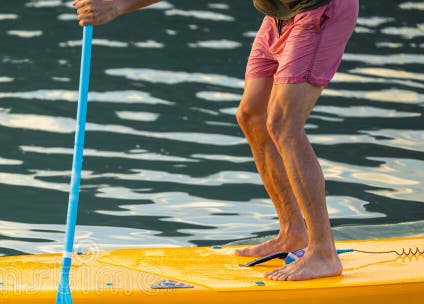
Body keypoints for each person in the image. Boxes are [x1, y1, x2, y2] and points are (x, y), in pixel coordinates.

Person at [72, 0, 359, 281]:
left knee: (284, 124)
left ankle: (323, 253)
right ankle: (293, 233)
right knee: (252, 116)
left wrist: (119, 5)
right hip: (279, 15)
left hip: (318, 11)